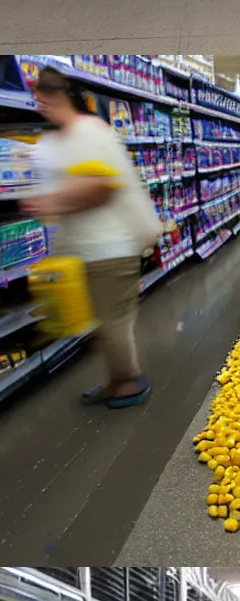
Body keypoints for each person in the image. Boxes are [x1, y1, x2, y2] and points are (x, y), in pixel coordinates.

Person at [24, 67, 161, 407]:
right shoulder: (60, 138)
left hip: (110, 248)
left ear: (54, 97)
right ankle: (118, 381)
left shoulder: (88, 132)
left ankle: (130, 382)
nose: (38, 104)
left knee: (112, 323)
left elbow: (99, 187)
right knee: (103, 323)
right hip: (84, 251)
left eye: (42, 97)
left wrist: (50, 201)